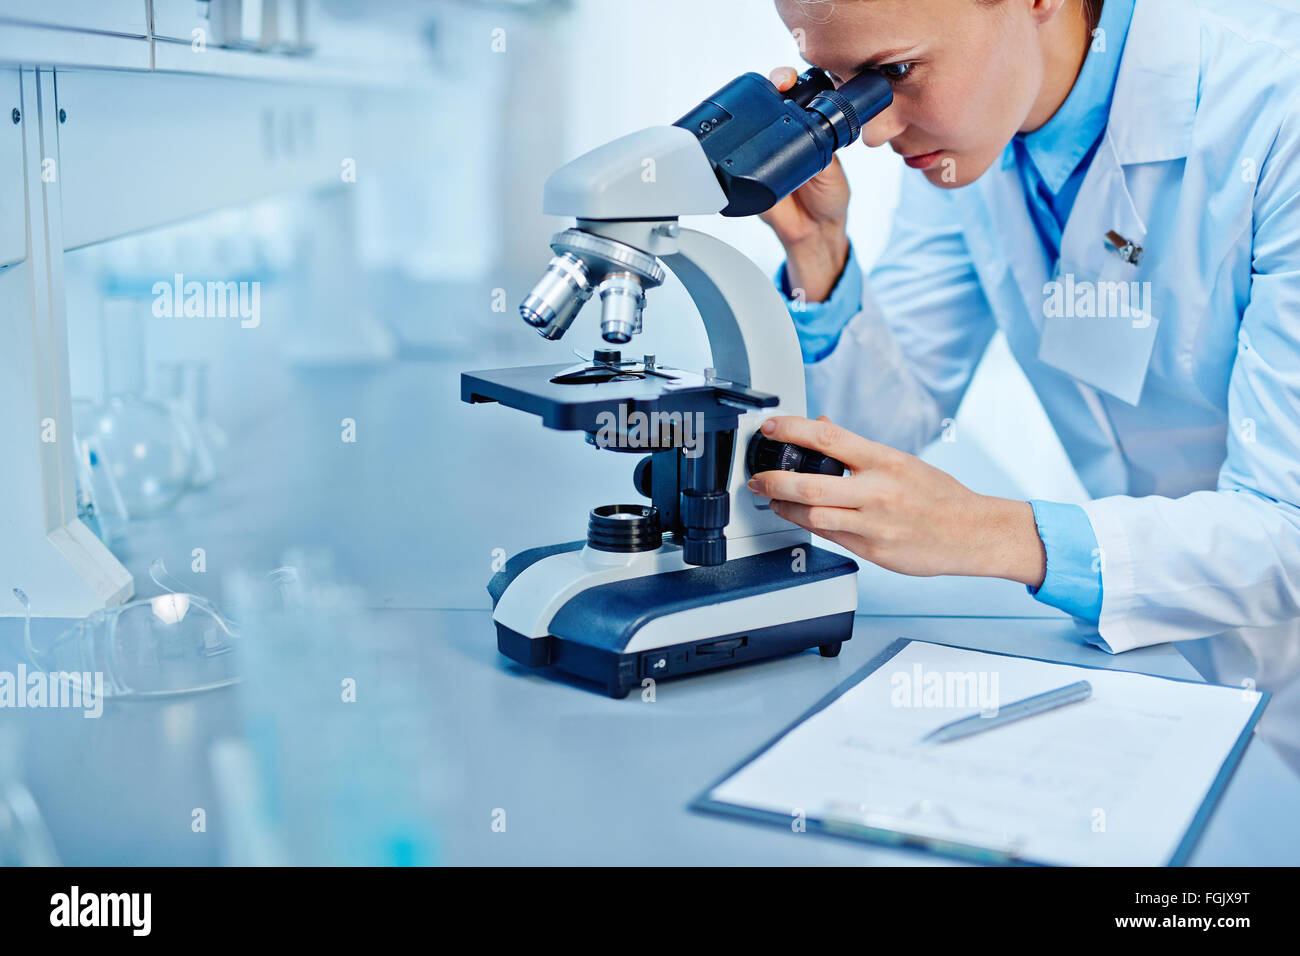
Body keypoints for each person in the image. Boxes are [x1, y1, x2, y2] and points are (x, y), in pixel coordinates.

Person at [747, 0, 1300, 770]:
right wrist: (819, 253)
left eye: (895, 73)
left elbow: (1289, 526)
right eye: (839, 86)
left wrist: (986, 532)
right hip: (1171, 665)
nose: (871, 131)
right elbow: (886, 430)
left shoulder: (1278, 110)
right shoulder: (971, 129)